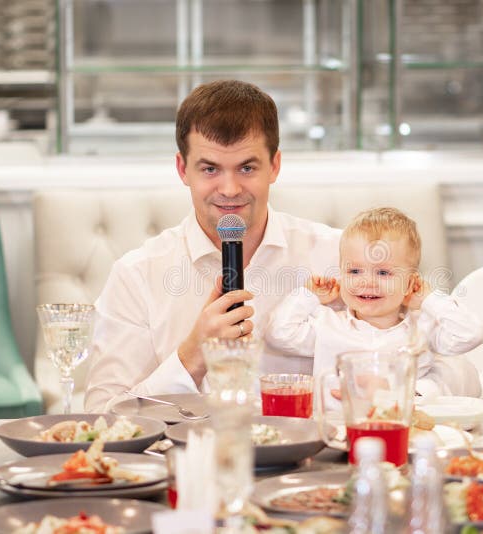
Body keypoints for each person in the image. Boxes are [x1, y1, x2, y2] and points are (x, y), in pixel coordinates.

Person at [84, 80, 341, 413]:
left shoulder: (337, 256)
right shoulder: (136, 275)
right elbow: (102, 418)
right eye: (210, 169)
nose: (230, 189)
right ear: (183, 169)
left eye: (247, 168)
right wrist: (192, 356)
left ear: (274, 166)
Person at [265, 207, 483, 402]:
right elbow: (280, 334)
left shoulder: (422, 329)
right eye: (354, 271)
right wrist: (308, 296)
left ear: (410, 283)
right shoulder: (327, 324)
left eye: (383, 272)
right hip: (336, 428)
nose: (367, 282)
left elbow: (469, 335)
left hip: (402, 427)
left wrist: (428, 298)